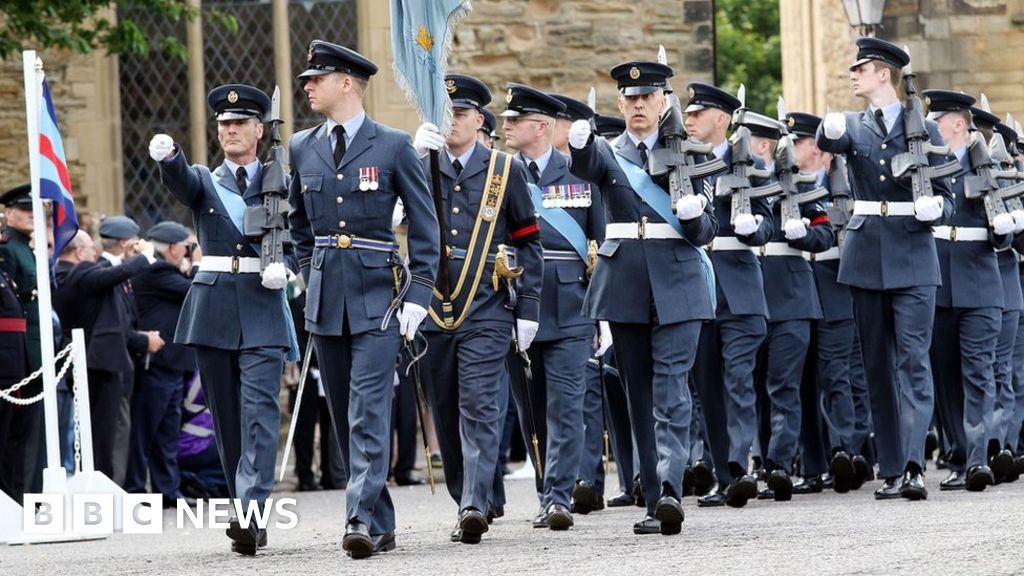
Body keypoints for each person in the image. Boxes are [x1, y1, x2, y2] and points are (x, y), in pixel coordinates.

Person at [288, 39, 439, 559]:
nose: (308, 85)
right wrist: (310, 273)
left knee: (367, 409)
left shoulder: (393, 145)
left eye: (317, 78)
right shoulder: (302, 146)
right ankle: (382, 521)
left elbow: (425, 225)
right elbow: (297, 226)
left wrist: (419, 293)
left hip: (380, 298)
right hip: (327, 297)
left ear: (346, 83)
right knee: (343, 413)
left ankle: (356, 515)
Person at [567, 60, 717, 535]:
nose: (638, 105)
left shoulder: (692, 154)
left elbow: (706, 230)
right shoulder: (608, 153)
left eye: (647, 98)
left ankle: (671, 487)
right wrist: (577, 143)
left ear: (663, 102)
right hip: (626, 281)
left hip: (677, 278)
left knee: (672, 389)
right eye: (629, 99)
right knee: (638, 392)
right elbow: (587, 165)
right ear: (619, 105)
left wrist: (693, 216)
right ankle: (653, 497)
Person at [150, 82, 294, 555]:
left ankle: (250, 508)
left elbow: (300, 236)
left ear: (259, 130)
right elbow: (182, 184)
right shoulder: (205, 180)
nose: (230, 131)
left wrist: (287, 267)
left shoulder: (281, 180)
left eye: (239, 124)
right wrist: (169, 157)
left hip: (262, 302)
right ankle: (246, 513)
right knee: (228, 419)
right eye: (223, 126)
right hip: (212, 309)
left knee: (259, 414)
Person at [816, 37, 954, 501]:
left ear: (885, 74)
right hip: (866, 255)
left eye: (863, 67)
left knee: (913, 362)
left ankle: (915, 464)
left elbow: (949, 195)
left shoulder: (926, 130)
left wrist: (938, 207)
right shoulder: (851, 125)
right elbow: (827, 141)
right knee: (875, 366)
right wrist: (826, 131)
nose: (854, 74)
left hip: (913, 253)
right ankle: (892, 466)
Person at [412, 73, 542, 545]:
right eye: (445, 114)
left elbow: (529, 242)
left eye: (461, 113)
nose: (453, 122)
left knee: (480, 406)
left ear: (478, 119)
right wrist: (408, 159)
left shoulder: (504, 170)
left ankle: (472, 502)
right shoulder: (421, 164)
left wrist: (528, 308)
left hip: (486, 304)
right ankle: (473, 495)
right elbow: (388, 219)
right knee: (445, 409)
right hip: (433, 305)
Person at [500, 83, 608, 529]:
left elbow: (603, 243)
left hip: (570, 308)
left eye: (514, 120)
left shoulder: (582, 173)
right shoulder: (498, 176)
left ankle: (559, 497)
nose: (504, 126)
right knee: (531, 409)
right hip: (515, 302)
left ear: (540, 127)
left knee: (566, 406)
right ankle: (548, 488)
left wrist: (604, 313)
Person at [682, 83, 773, 509]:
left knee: (738, 381)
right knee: (706, 386)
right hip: (698, 287)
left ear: (721, 119)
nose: (689, 120)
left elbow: (769, 223)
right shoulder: (682, 163)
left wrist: (756, 226)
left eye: (698, 114)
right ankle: (718, 469)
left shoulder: (750, 164)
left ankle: (739, 468)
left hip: (738, 285)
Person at [53, 229, 161, 481]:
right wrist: (145, 255)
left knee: (100, 435)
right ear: (80, 252)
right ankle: (102, 491)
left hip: (90, 362)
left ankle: (101, 487)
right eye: (92, 248)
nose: (96, 253)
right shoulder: (78, 273)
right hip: (98, 365)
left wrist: (126, 258)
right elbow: (115, 274)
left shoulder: (68, 274)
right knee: (102, 437)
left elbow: (108, 276)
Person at [126, 221, 199, 506]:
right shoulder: (157, 270)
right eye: (186, 246)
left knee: (167, 432)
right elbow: (194, 291)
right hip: (155, 364)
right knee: (145, 431)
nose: (188, 251)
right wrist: (198, 264)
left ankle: (168, 491)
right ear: (171, 248)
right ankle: (134, 489)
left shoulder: (164, 270)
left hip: (172, 364)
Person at [0, 185, 44, 500]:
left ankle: (25, 493)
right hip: (16, 347)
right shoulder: (6, 247)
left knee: (29, 431)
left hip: (32, 346)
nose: (32, 215)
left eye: (34, 210)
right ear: (9, 212)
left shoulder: (27, 247)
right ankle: (13, 494)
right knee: (13, 431)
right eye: (25, 210)